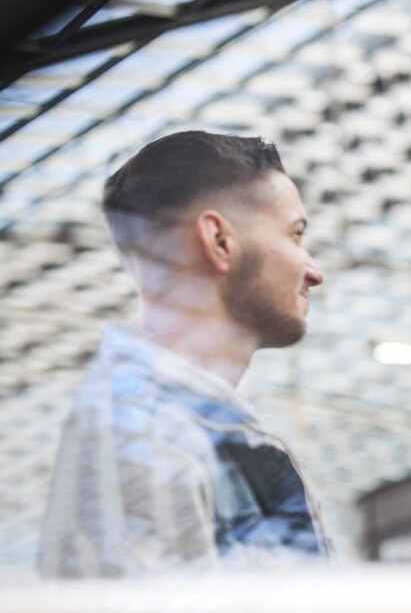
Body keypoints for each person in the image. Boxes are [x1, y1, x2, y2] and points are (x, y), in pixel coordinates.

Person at [39, 131, 332, 577]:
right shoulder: (143, 445)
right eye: (294, 235)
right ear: (218, 241)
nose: (314, 271)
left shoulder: (191, 435)